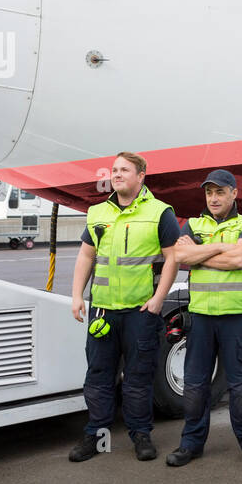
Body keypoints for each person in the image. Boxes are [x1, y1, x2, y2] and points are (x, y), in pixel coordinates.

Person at [69, 151, 180, 463]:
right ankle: (96, 436)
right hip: (103, 309)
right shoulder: (96, 213)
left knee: (138, 377)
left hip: (140, 312)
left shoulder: (159, 212)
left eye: (124, 170)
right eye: (114, 170)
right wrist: (77, 295)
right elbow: (86, 256)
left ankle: (141, 436)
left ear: (141, 176)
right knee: (99, 376)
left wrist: (159, 298)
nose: (117, 175)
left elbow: (173, 256)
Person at [166, 169, 242, 467]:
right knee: (195, 385)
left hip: (236, 317)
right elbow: (179, 257)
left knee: (241, 385)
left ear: (234, 193)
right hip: (200, 318)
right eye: (209, 192)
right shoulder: (192, 223)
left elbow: (240, 259)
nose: (214, 198)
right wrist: (222, 246)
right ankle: (191, 444)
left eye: (220, 192)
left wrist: (199, 251)